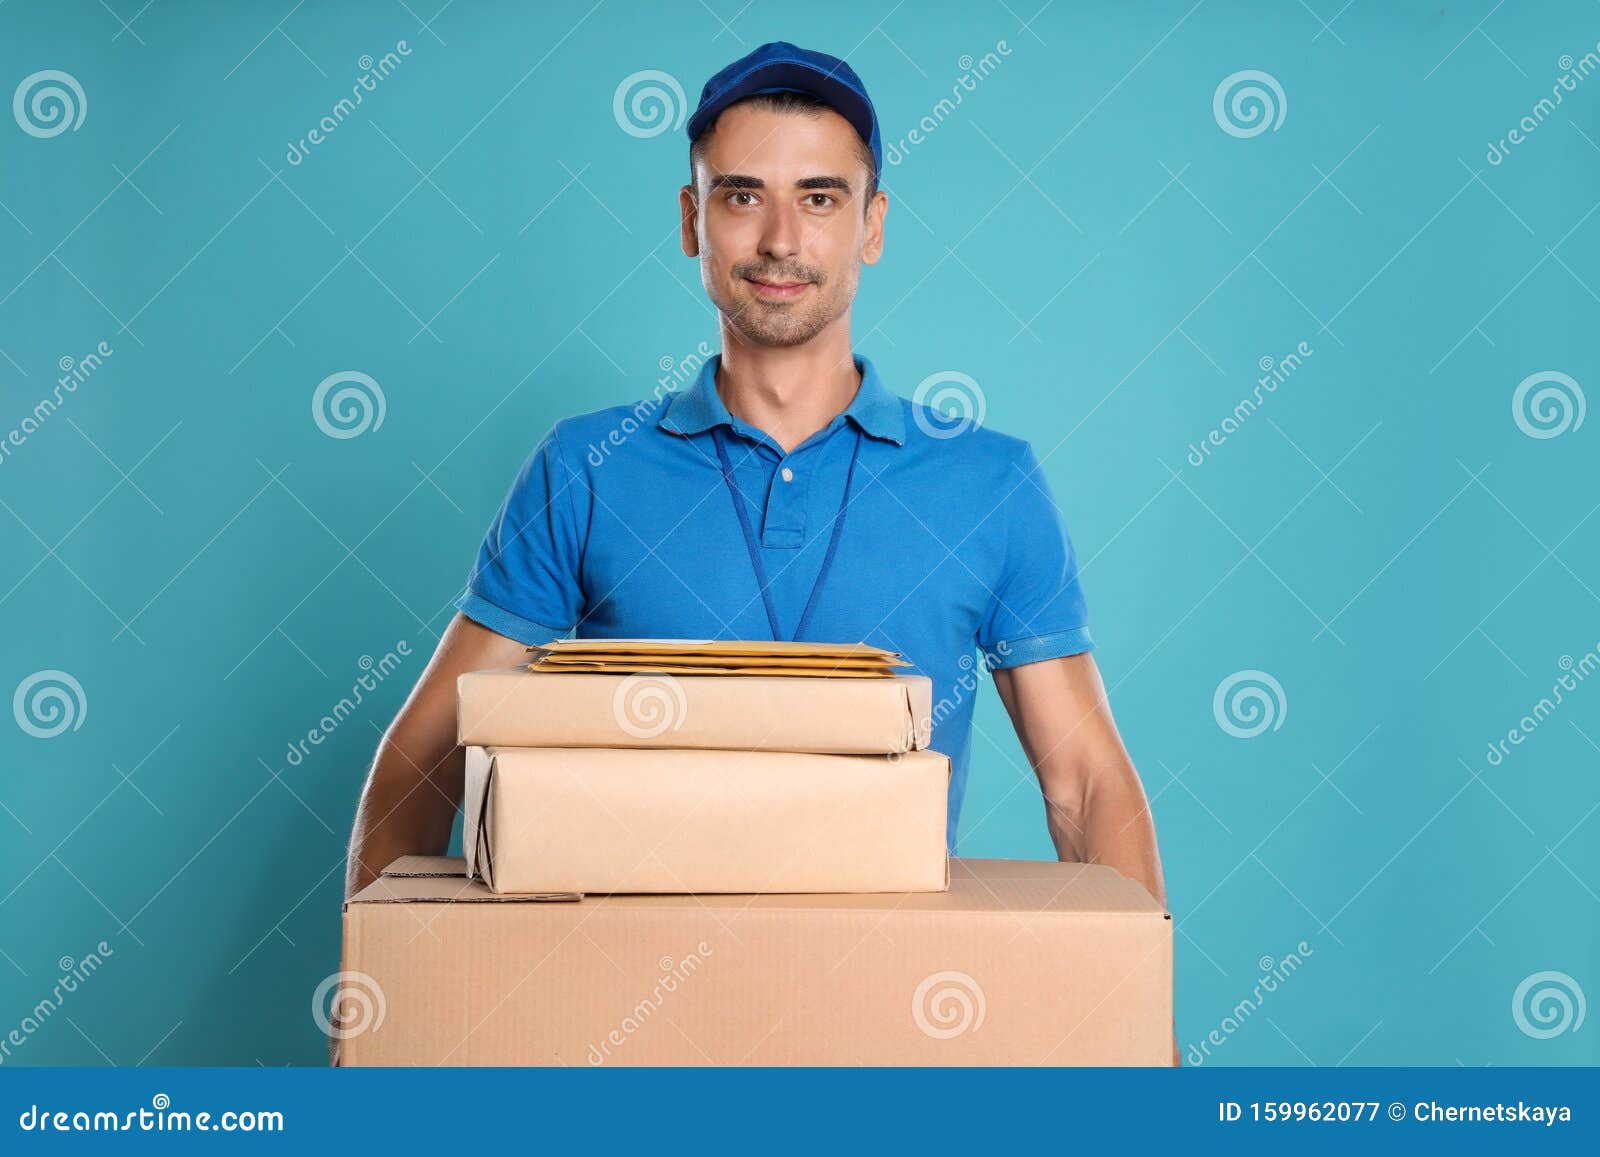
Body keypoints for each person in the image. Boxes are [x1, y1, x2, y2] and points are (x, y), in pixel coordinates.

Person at [337, 40, 1172, 1064]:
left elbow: (1085, 782)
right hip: (623, 1043)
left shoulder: (987, 481)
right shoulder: (588, 466)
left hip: (899, 1034)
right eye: (742, 196)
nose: (780, 239)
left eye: (820, 198)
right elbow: (423, 758)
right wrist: (380, 1016)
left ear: (872, 226)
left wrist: (1145, 1037)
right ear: (692, 220)